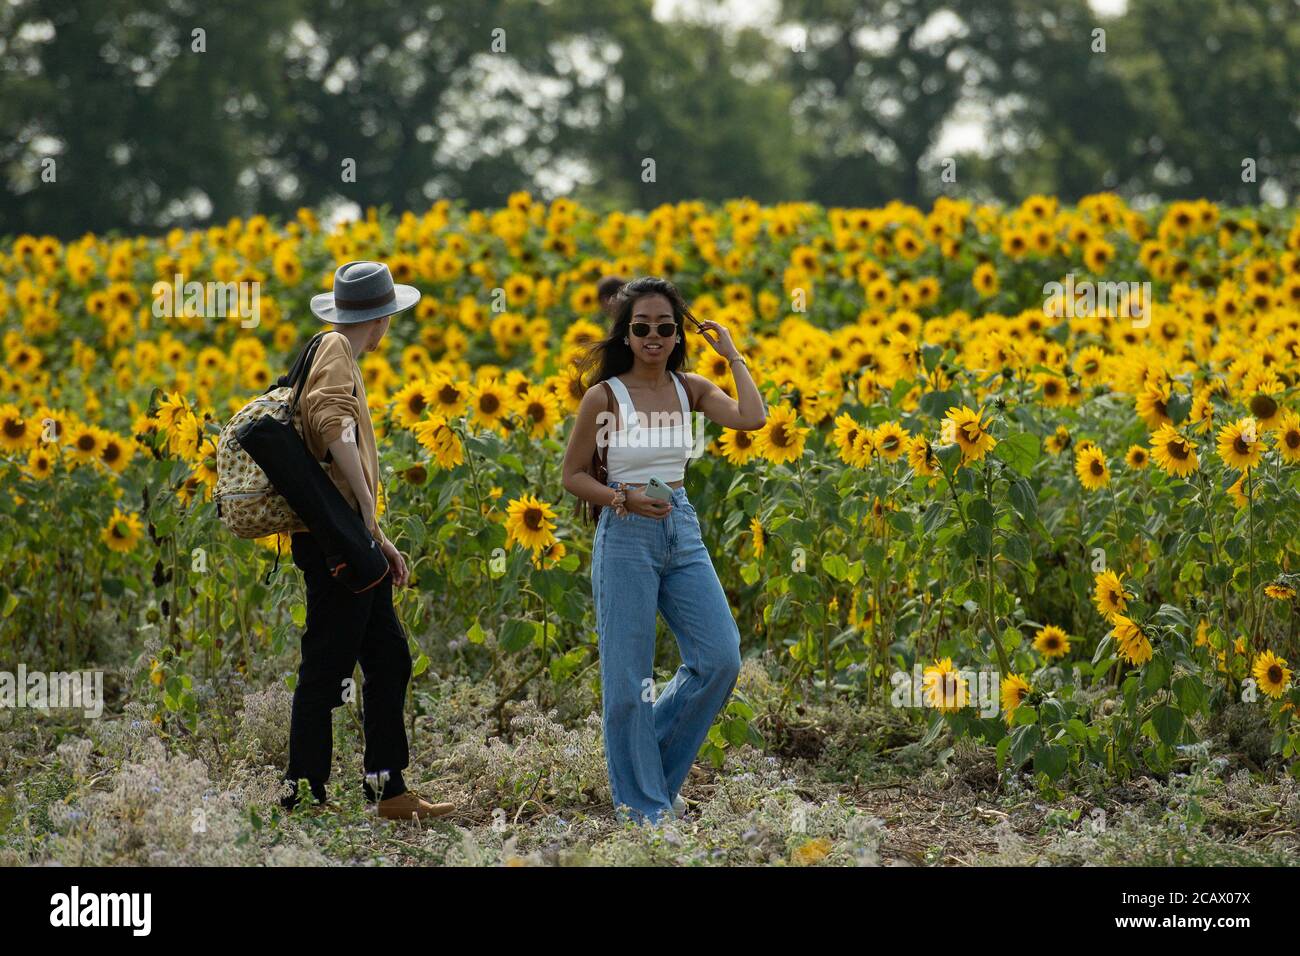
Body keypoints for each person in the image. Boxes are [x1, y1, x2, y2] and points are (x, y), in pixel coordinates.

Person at [561, 276, 767, 824]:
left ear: (679, 335)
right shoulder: (604, 397)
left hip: (681, 526)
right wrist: (620, 497)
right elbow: (572, 475)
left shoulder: (691, 387)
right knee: (628, 681)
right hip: (625, 531)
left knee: (719, 657)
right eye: (642, 327)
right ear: (626, 334)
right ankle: (645, 808)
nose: (654, 336)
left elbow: (753, 419)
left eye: (665, 327)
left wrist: (733, 355)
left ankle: (643, 770)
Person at [279, 260, 454, 820]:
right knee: (327, 667)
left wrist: (374, 534)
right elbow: (332, 425)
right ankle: (301, 794)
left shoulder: (331, 350)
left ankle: (388, 791)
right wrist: (371, 520)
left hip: (346, 536)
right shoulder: (335, 350)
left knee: (388, 658)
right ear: (380, 318)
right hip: (339, 539)